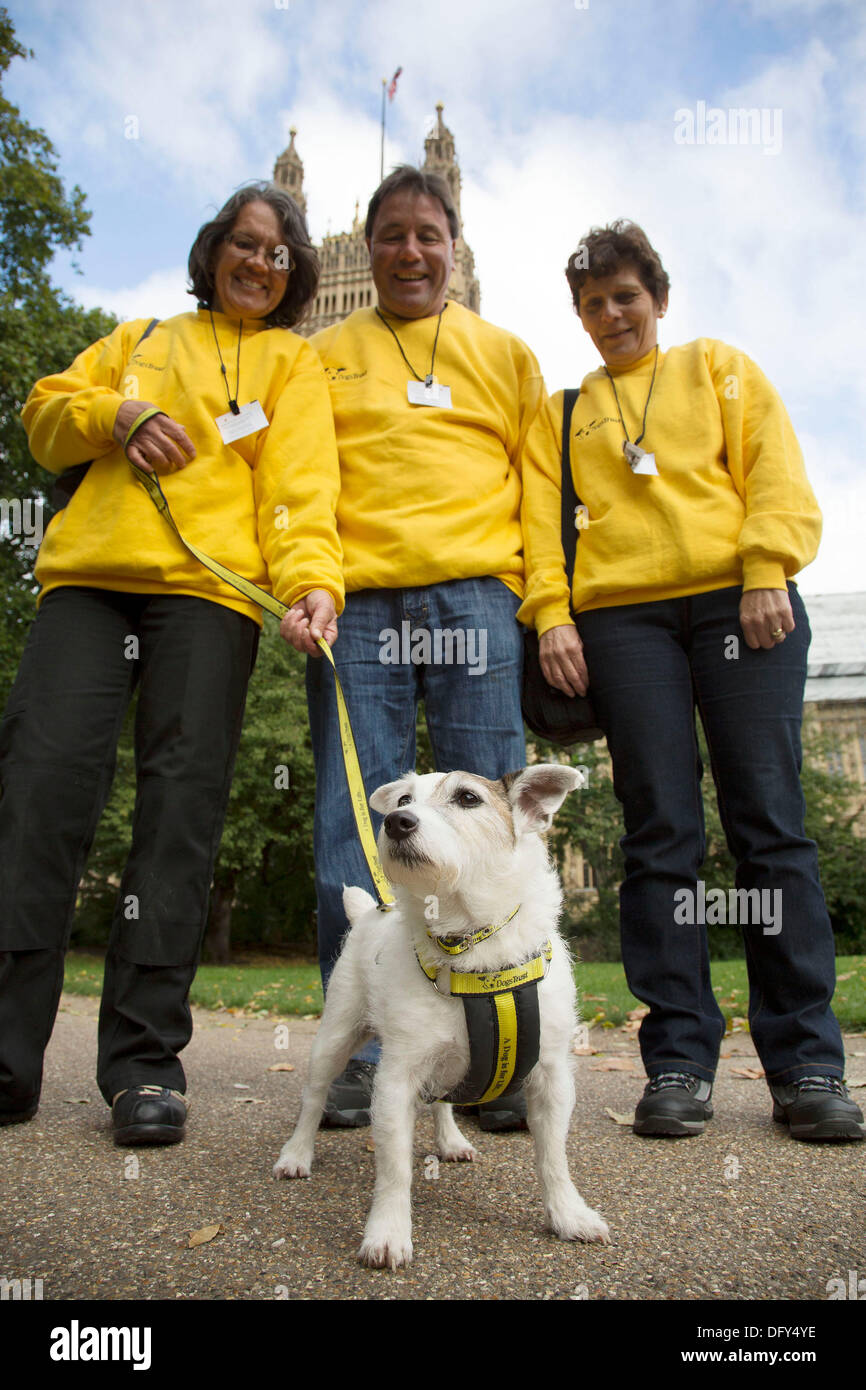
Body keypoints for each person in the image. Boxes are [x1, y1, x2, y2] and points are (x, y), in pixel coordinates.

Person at [0, 182, 343, 1145]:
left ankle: (145, 1063)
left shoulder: (293, 364)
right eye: (245, 243)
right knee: (38, 792)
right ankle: (5, 1054)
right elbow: (44, 412)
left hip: (211, 597)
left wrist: (313, 582)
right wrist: (115, 417)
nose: (259, 263)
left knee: (181, 813)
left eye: (278, 254)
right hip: (90, 581)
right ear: (214, 249)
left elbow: (301, 486)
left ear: (296, 272)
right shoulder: (139, 336)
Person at [518, 219, 864, 1143]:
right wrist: (553, 615)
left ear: (658, 299)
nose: (610, 314)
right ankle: (678, 1057)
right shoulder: (565, 411)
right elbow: (535, 529)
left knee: (769, 826)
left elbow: (776, 475)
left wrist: (762, 571)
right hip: (623, 623)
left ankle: (805, 1062)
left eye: (625, 296)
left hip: (736, 605)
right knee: (660, 832)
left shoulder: (718, 366)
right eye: (592, 303)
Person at [298, 165, 546, 1131]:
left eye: (427, 234)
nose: (409, 251)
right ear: (364, 248)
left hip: (479, 595)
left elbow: (536, 489)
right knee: (354, 820)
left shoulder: (504, 353)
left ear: (455, 244)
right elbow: (305, 478)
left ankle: (500, 1047)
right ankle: (365, 1045)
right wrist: (311, 577)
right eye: (389, 235)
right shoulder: (320, 353)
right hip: (359, 600)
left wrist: (545, 605)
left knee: (492, 811)